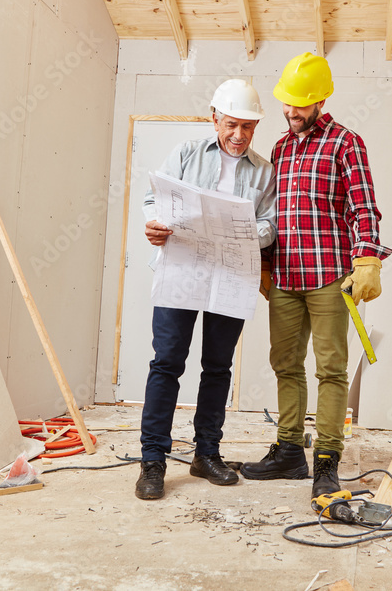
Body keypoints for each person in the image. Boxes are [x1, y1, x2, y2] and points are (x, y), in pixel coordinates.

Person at [241, 53, 392, 498]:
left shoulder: (346, 143)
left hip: (329, 276)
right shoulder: (281, 148)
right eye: (287, 103)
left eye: (301, 104)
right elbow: (272, 212)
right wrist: (267, 267)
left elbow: (364, 207)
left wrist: (367, 258)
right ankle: (289, 450)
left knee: (331, 369)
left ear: (322, 100)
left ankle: (326, 459)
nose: (291, 112)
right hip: (286, 277)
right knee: (285, 365)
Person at [135, 79, 276, 500]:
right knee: (166, 364)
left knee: (218, 368)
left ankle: (206, 454)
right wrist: (155, 225)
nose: (239, 135)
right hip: (182, 269)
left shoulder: (264, 170)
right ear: (214, 118)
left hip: (231, 276)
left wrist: (250, 233)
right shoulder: (185, 154)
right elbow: (152, 201)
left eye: (248, 127)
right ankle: (153, 460)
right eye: (232, 124)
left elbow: (271, 223)